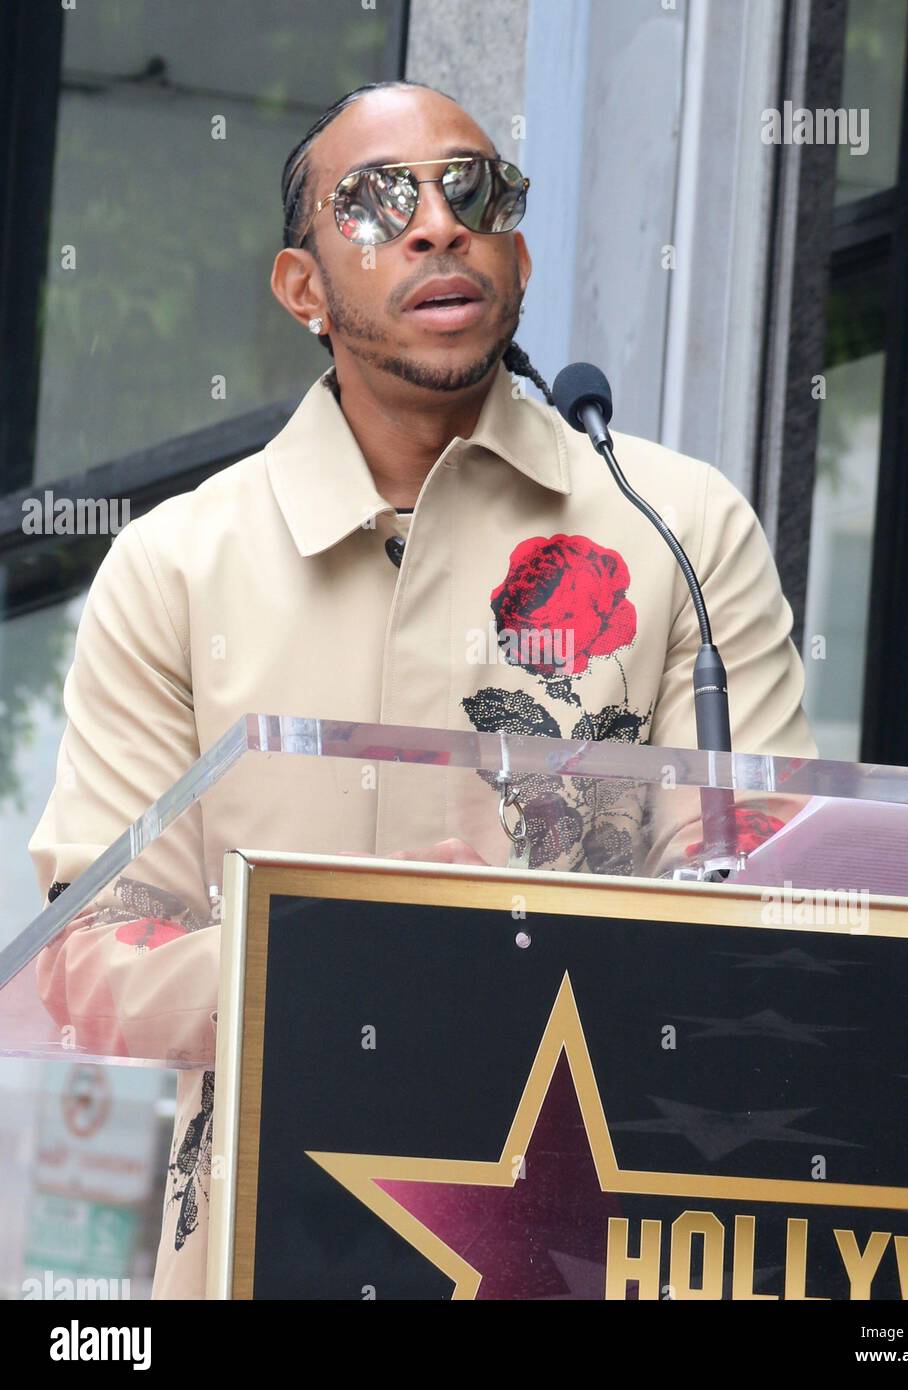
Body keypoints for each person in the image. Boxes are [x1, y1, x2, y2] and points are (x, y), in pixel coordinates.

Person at [27, 79, 816, 1299]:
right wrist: (351, 947)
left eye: (471, 190)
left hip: (594, 1240)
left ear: (518, 252)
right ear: (301, 291)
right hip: (259, 1247)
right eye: (376, 200)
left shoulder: (681, 530)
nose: (436, 224)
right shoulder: (176, 565)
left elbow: (770, 904)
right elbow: (88, 962)